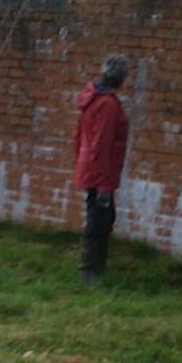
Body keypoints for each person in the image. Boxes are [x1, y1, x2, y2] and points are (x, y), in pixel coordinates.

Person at [73, 54, 129, 282]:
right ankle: (89, 270)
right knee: (99, 219)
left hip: (91, 167)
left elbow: (78, 137)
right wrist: (105, 184)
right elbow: (102, 145)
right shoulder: (108, 104)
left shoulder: (93, 98)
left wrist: (82, 162)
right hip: (100, 172)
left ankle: (95, 267)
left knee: (103, 217)